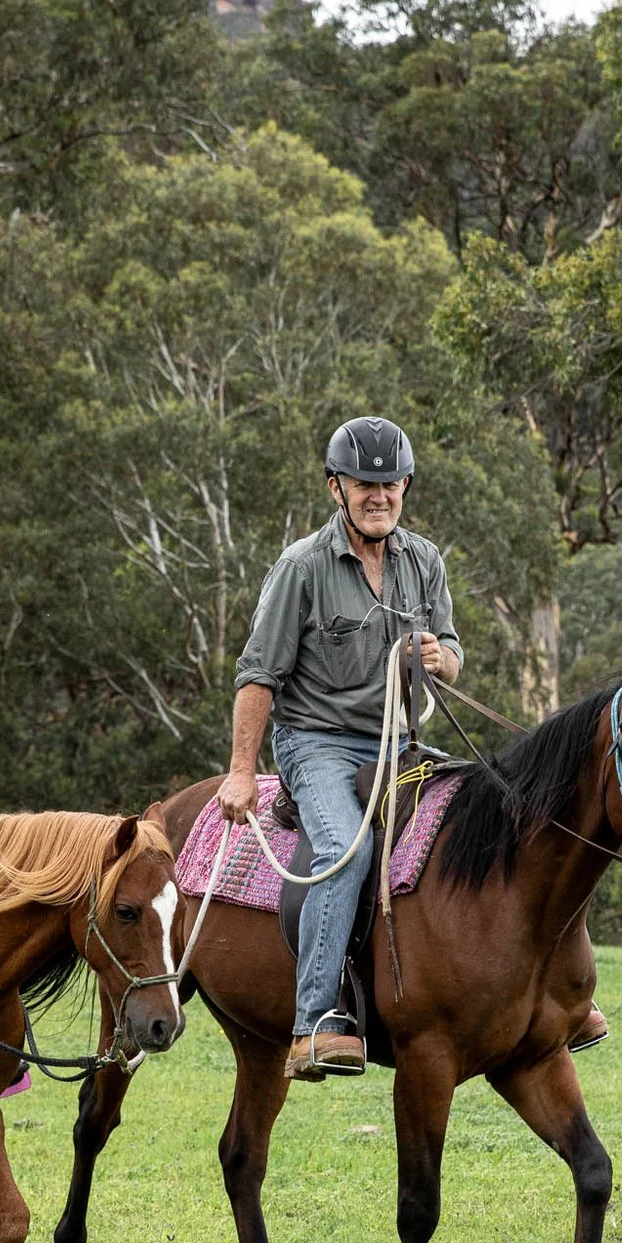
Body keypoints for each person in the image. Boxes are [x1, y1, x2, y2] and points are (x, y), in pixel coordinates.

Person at [221, 417, 462, 1081]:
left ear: (405, 486)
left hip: (399, 741)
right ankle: (315, 1023)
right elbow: (258, 674)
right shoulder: (301, 567)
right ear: (336, 488)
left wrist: (445, 659)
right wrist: (243, 772)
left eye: (390, 483)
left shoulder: (426, 562)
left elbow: (452, 647)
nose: (378, 494)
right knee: (345, 847)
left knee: (482, 815)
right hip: (317, 741)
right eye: (364, 484)